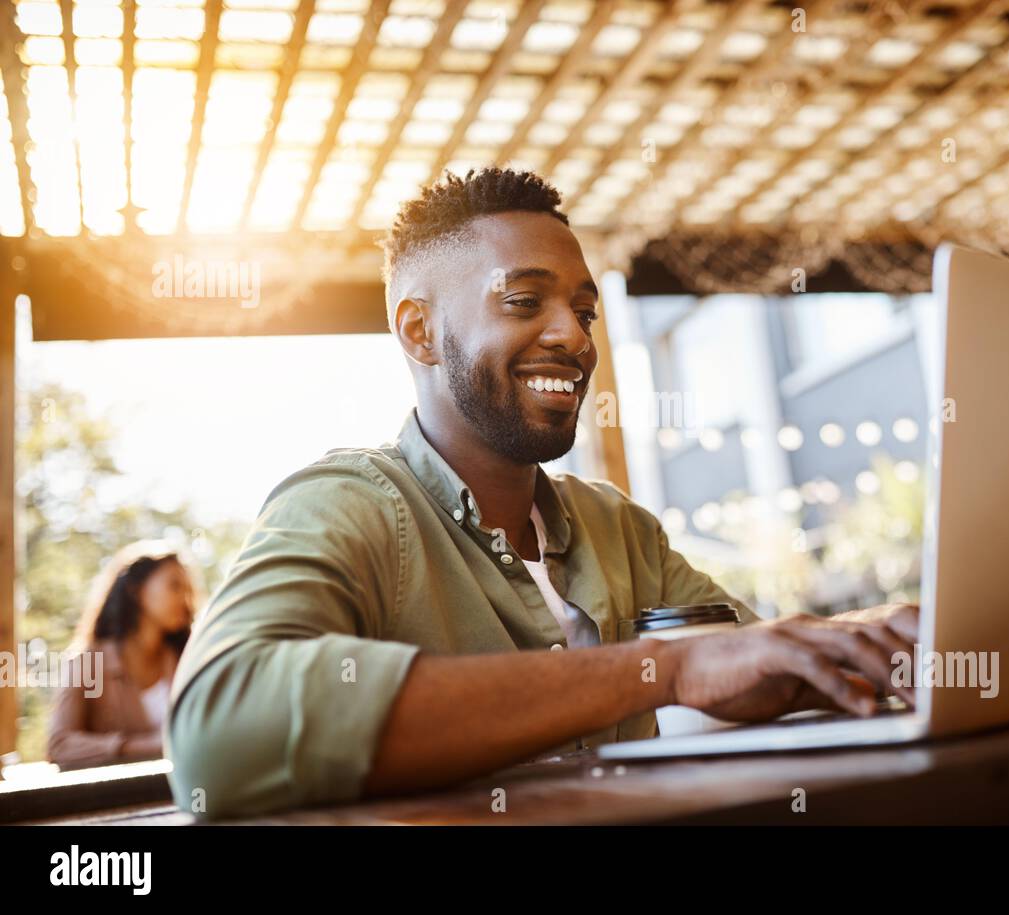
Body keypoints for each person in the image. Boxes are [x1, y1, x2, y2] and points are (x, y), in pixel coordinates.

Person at [167, 167, 920, 819]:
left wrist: (883, 640)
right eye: (525, 302)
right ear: (419, 331)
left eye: (585, 311)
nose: (576, 337)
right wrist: (665, 668)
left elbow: (756, 663)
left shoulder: (616, 526)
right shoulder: (347, 504)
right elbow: (218, 726)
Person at [48, 540, 195, 770]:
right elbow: (59, 745)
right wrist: (140, 746)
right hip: (113, 799)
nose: (185, 600)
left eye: (188, 590)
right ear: (136, 590)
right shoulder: (89, 662)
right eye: (175, 586)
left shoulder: (188, 659)